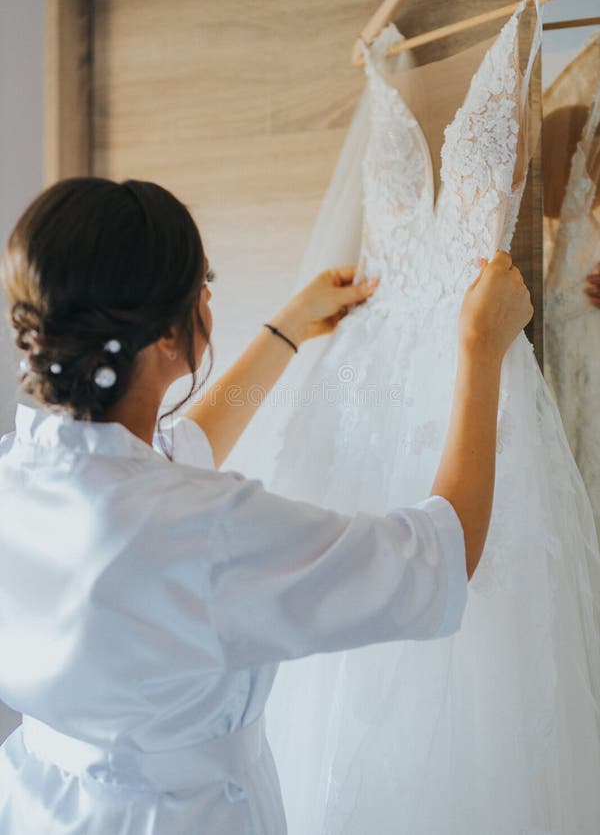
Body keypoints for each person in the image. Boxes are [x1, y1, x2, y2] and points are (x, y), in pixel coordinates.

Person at [0, 177, 532, 834]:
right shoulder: (203, 529)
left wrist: (286, 331)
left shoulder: (22, 476)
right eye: (204, 283)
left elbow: (173, 460)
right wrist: (480, 350)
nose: (211, 297)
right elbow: (440, 557)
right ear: (170, 335)